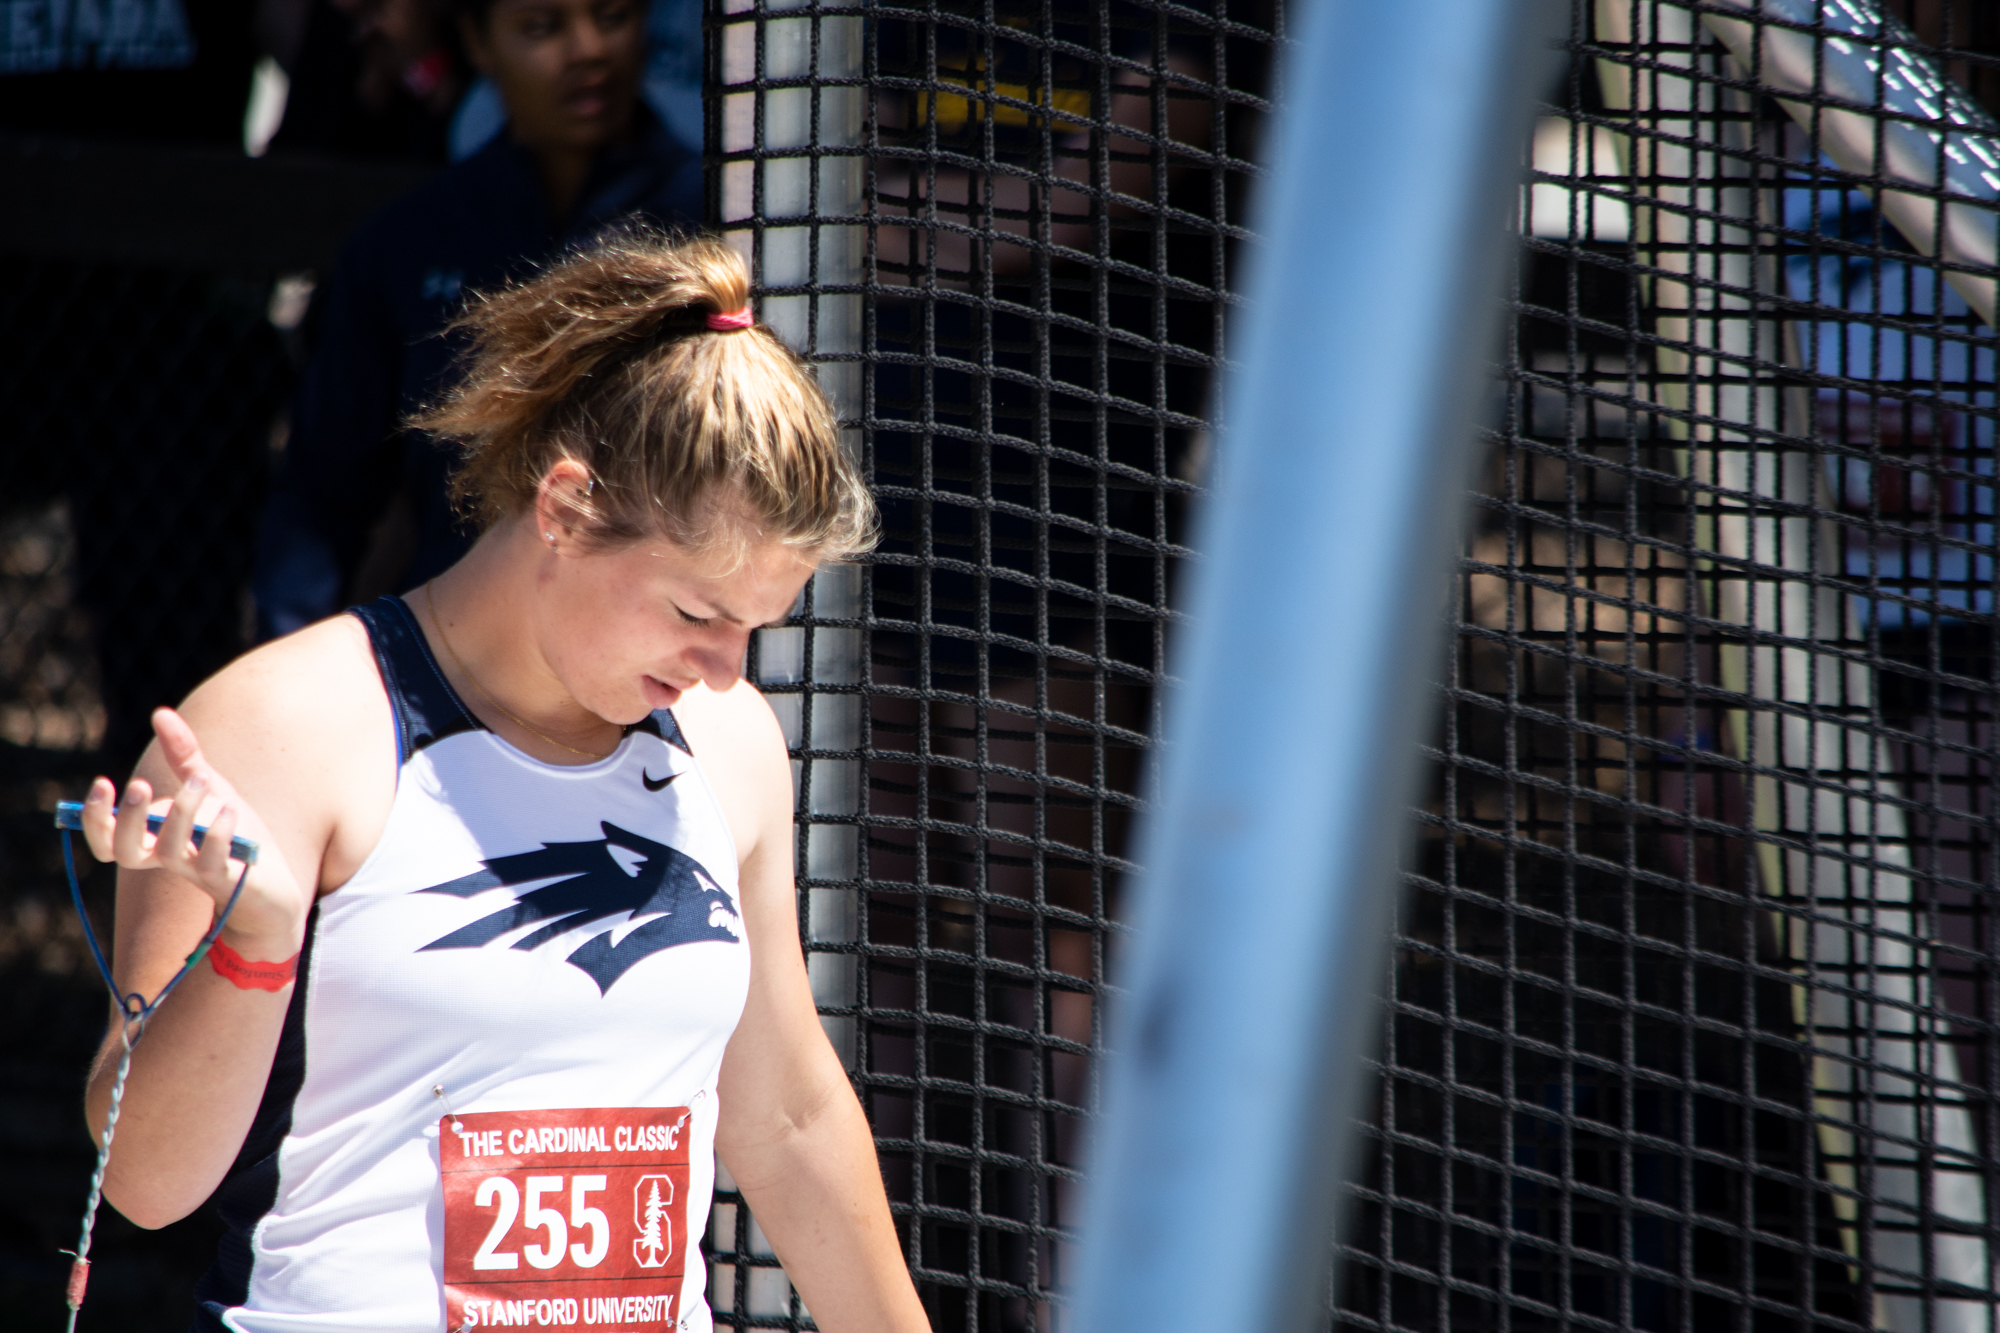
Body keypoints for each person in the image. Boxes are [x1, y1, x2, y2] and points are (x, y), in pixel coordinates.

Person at [76, 232, 930, 1333]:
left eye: (758, 627)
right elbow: (144, 1183)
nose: (724, 668)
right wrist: (255, 945)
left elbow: (790, 1117)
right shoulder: (286, 724)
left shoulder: (727, 739)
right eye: (694, 613)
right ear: (564, 508)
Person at [253, 0, 701, 639]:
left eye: (612, 16)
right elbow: (324, 493)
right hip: (454, 644)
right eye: (542, 28)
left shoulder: (715, 229)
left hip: (658, 641)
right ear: (478, 43)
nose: (588, 50)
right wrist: (286, 664)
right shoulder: (410, 241)